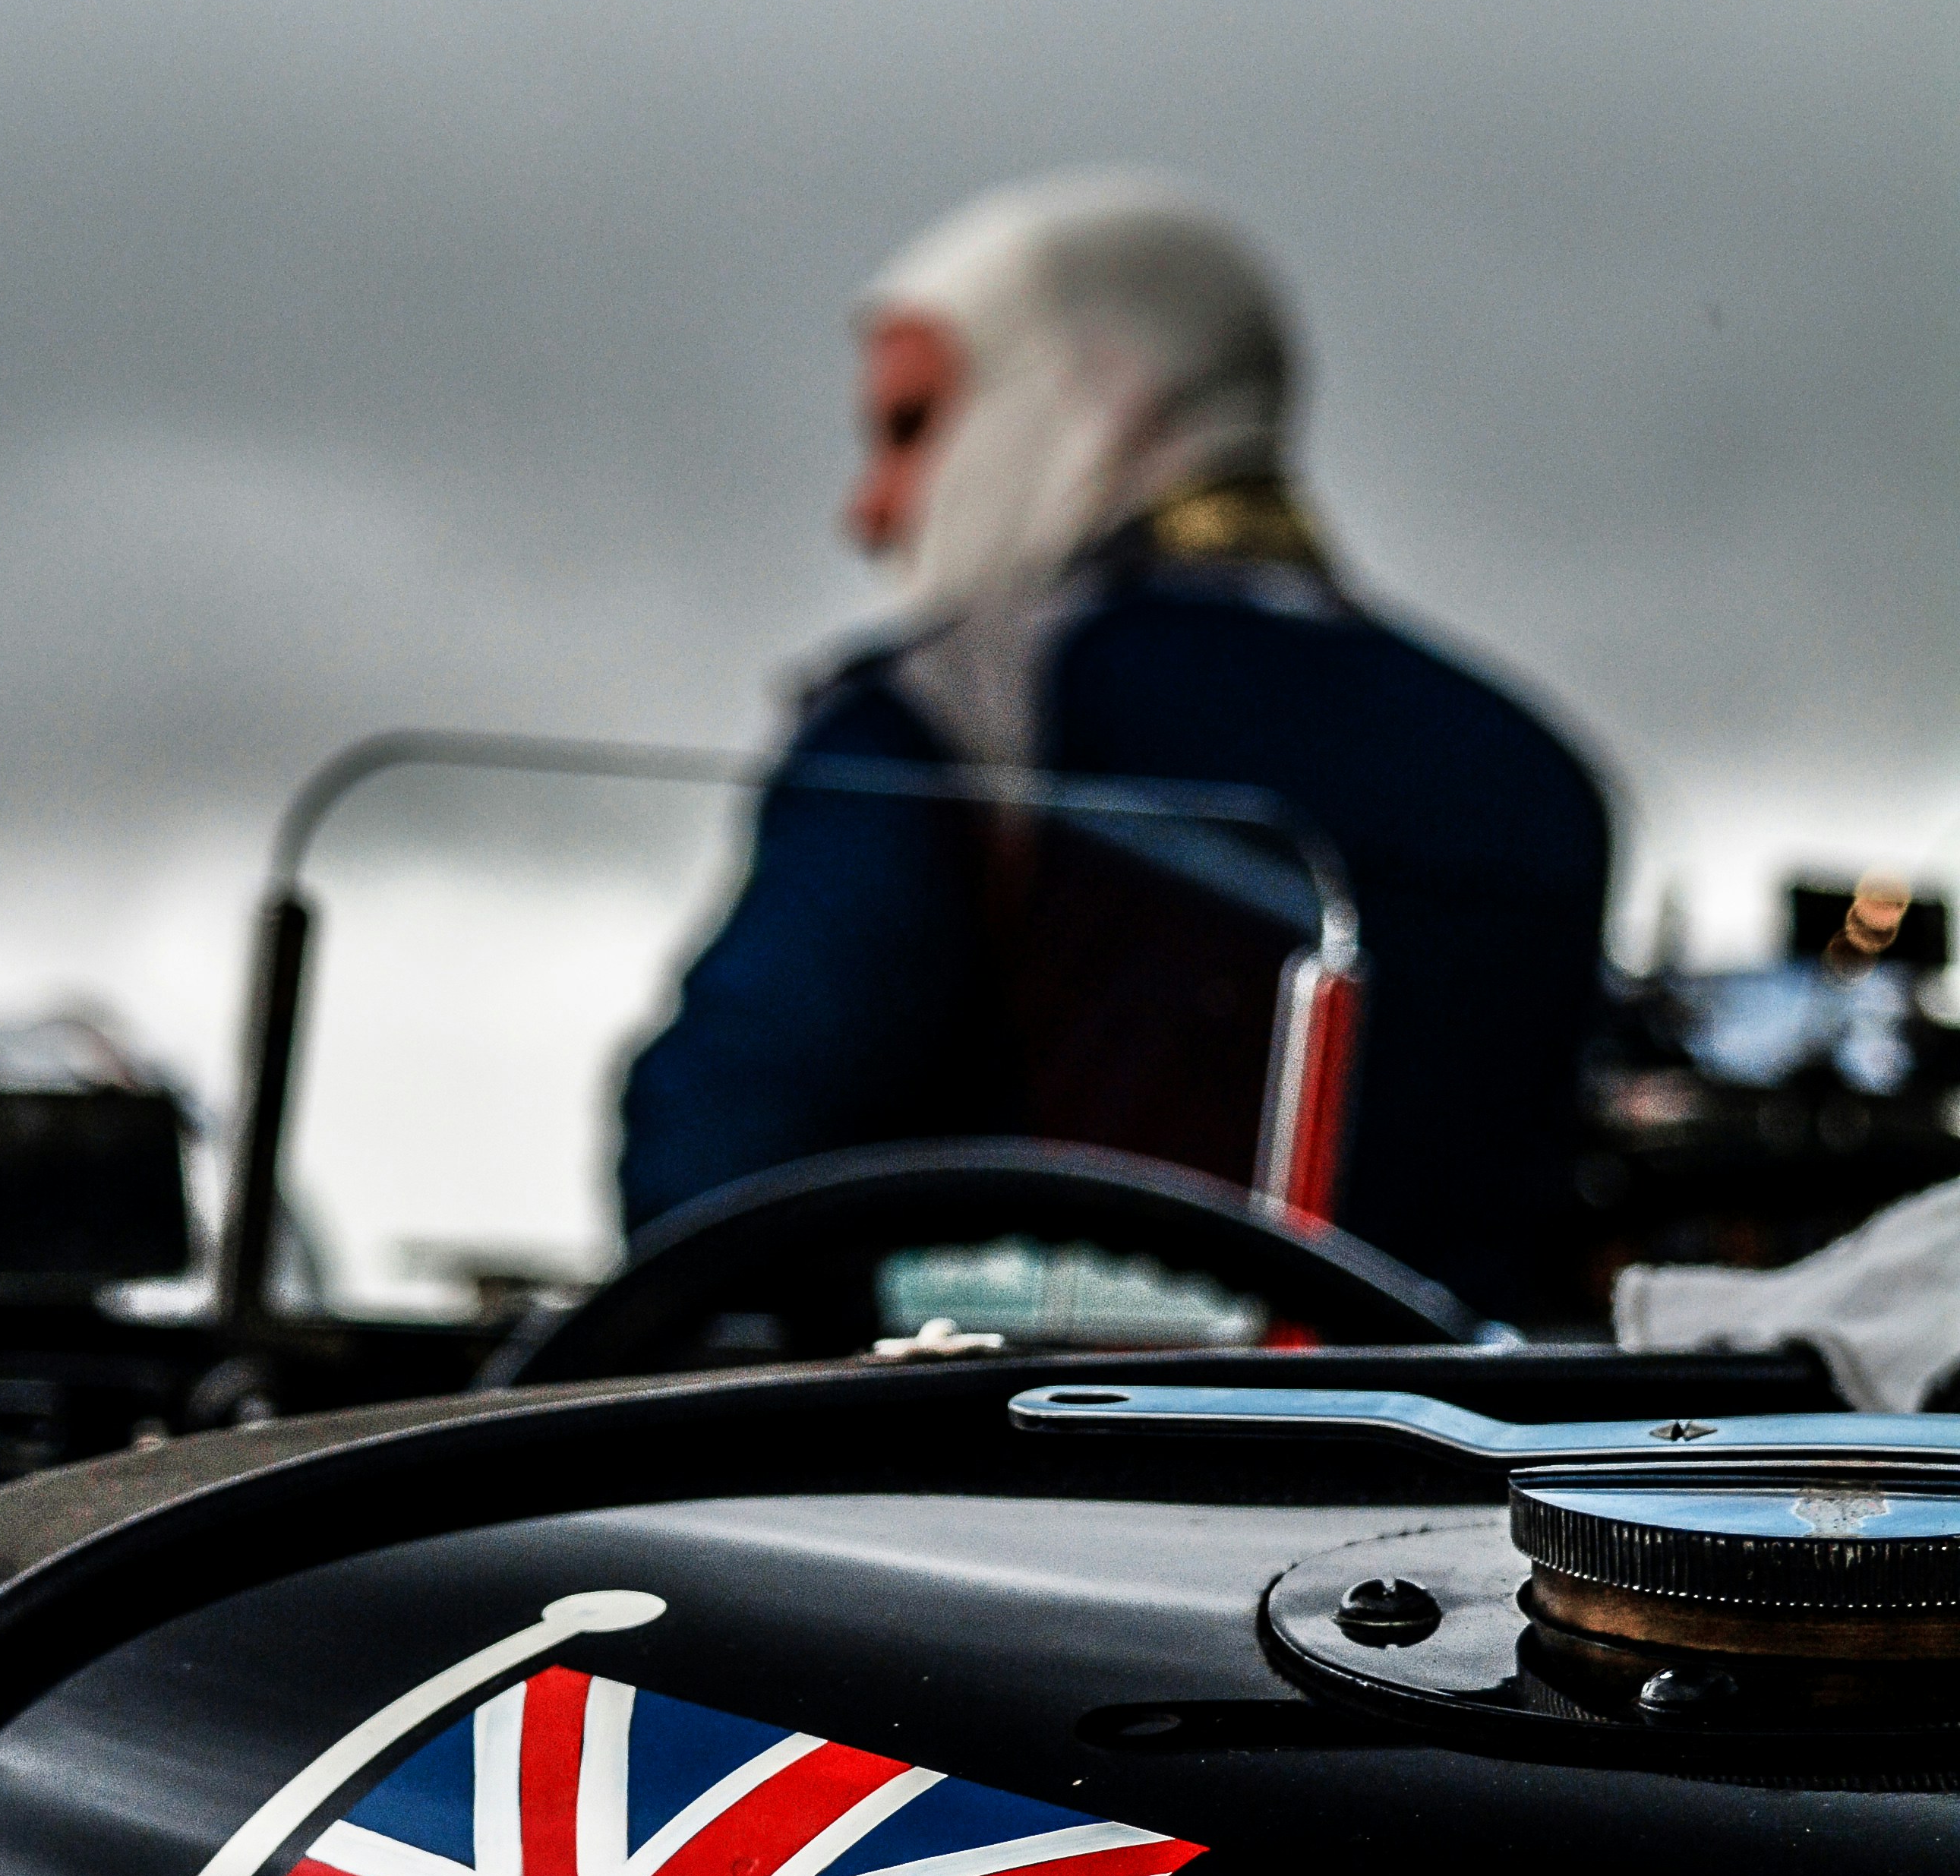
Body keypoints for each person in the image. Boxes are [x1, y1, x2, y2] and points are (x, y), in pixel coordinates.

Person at [618, 171, 1611, 1319]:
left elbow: (705, 1183)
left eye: (909, 427)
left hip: (1002, 1431)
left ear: (1090, 391)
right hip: (1439, 1431)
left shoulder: (950, 717)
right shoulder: (1538, 775)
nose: (872, 510)